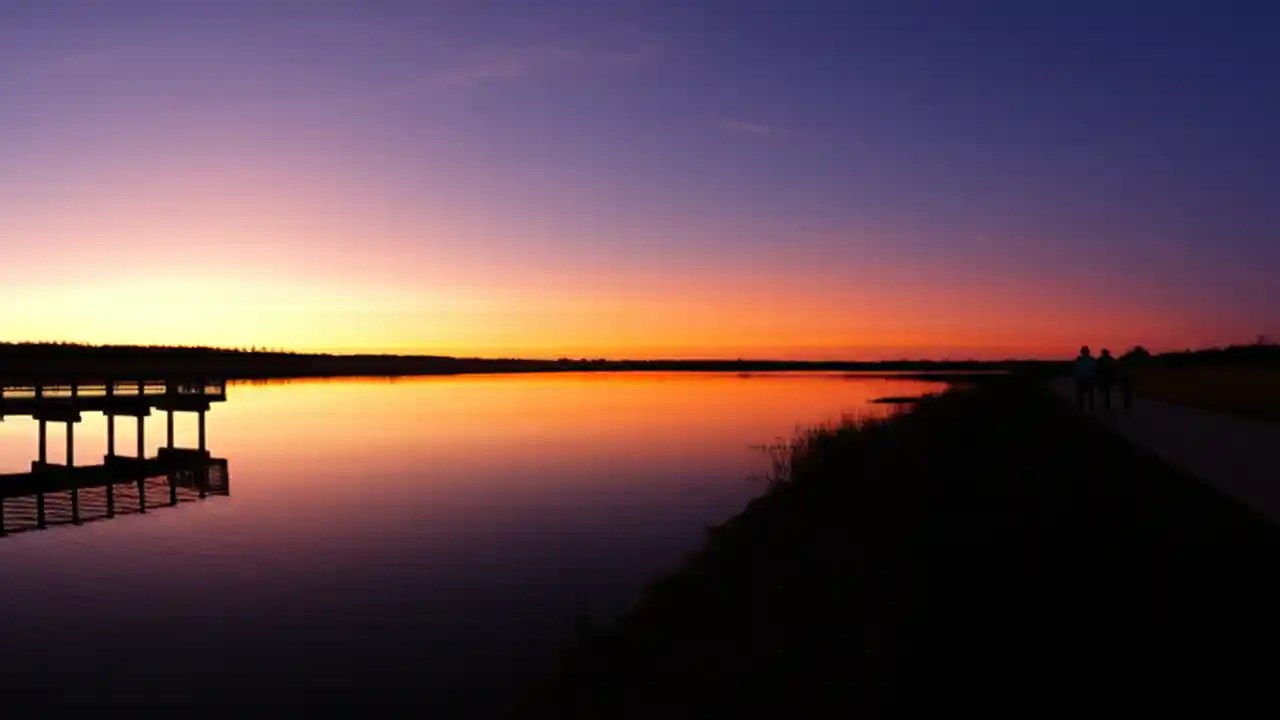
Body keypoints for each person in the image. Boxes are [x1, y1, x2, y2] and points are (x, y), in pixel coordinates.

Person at [1074, 346, 1096, 411]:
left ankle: (1082, 410)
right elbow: (1096, 370)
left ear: (1081, 352)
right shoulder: (1093, 360)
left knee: (1081, 398)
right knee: (1090, 397)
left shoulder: (1078, 360)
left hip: (1082, 380)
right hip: (1089, 380)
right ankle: (1090, 410)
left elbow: (1076, 371)